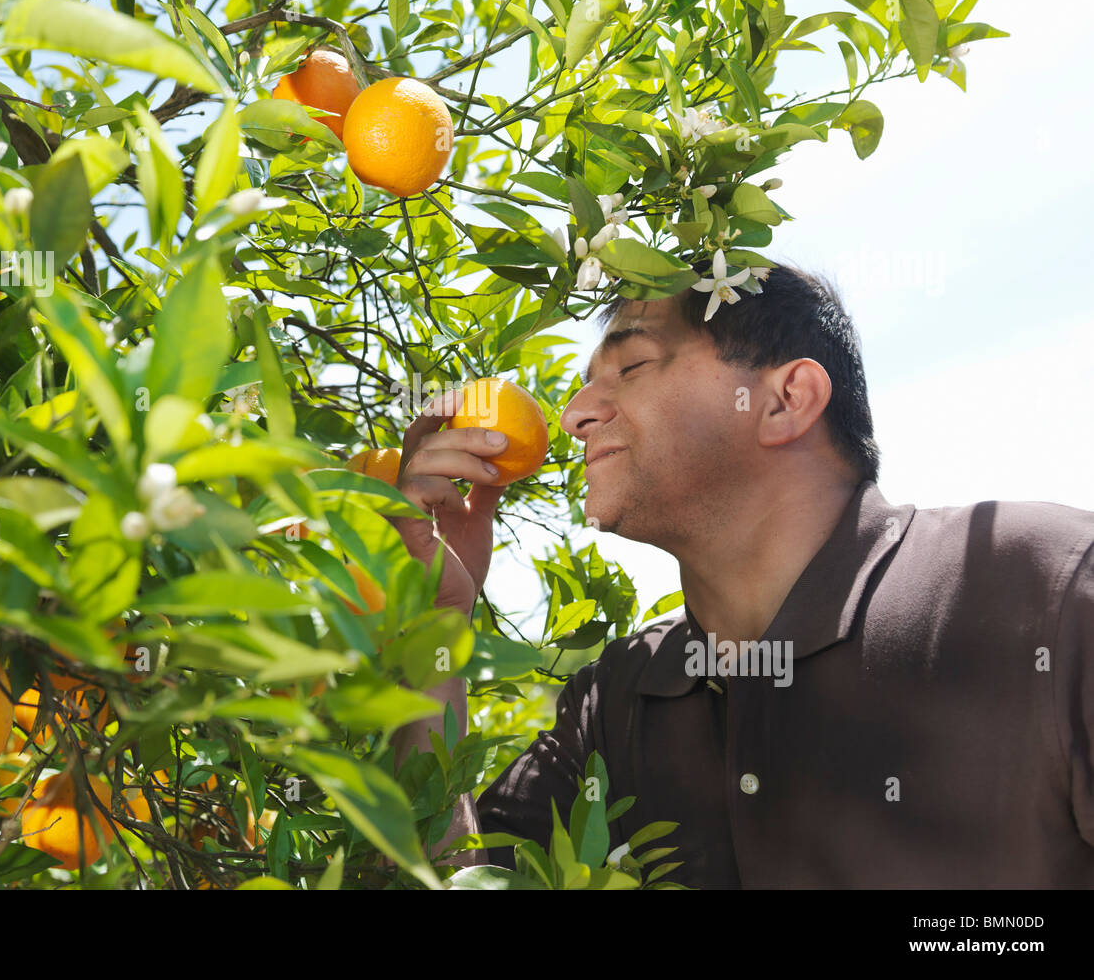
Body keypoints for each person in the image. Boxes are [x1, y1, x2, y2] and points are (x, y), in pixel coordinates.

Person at [387, 258, 1094, 889]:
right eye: (581, 388)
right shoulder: (618, 702)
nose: (573, 415)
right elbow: (449, 879)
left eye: (630, 368)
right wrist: (433, 622)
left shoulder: (1045, 587)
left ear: (786, 400)